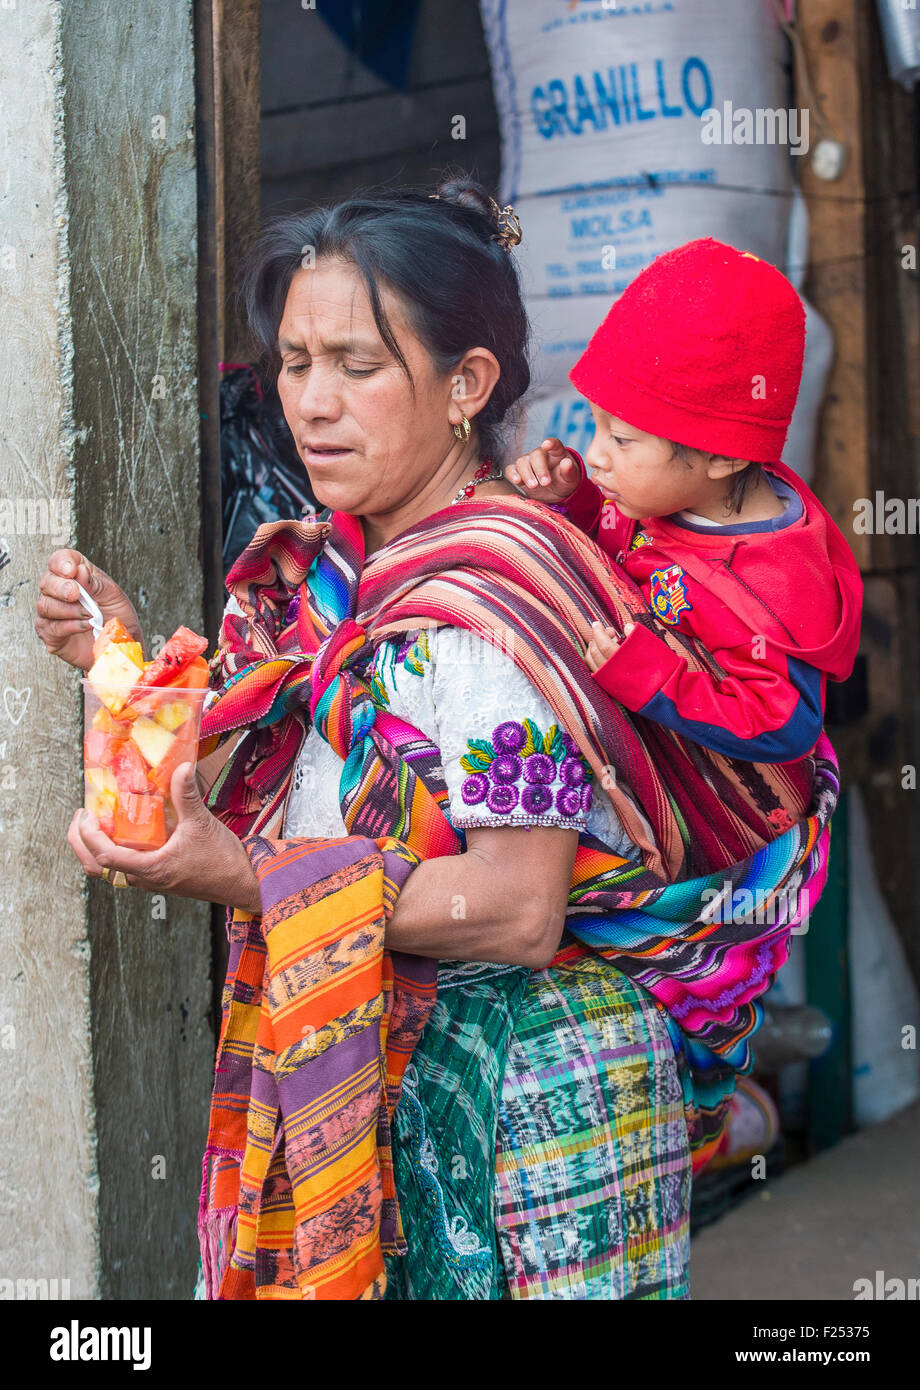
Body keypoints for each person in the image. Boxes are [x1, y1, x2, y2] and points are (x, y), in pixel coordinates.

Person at [35, 181, 837, 1301]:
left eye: (359, 365)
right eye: (296, 361)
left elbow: (515, 908)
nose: (312, 402)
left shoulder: (500, 600)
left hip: (532, 1109)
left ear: (465, 385)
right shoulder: (329, 581)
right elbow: (250, 773)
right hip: (392, 1082)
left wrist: (249, 879)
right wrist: (122, 667)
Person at [506, 239, 863, 765]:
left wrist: (653, 676)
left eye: (622, 440)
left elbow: (783, 725)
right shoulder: (668, 493)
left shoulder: (775, 585)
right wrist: (573, 496)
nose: (596, 455)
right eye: (595, 426)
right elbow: (615, 541)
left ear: (723, 456)